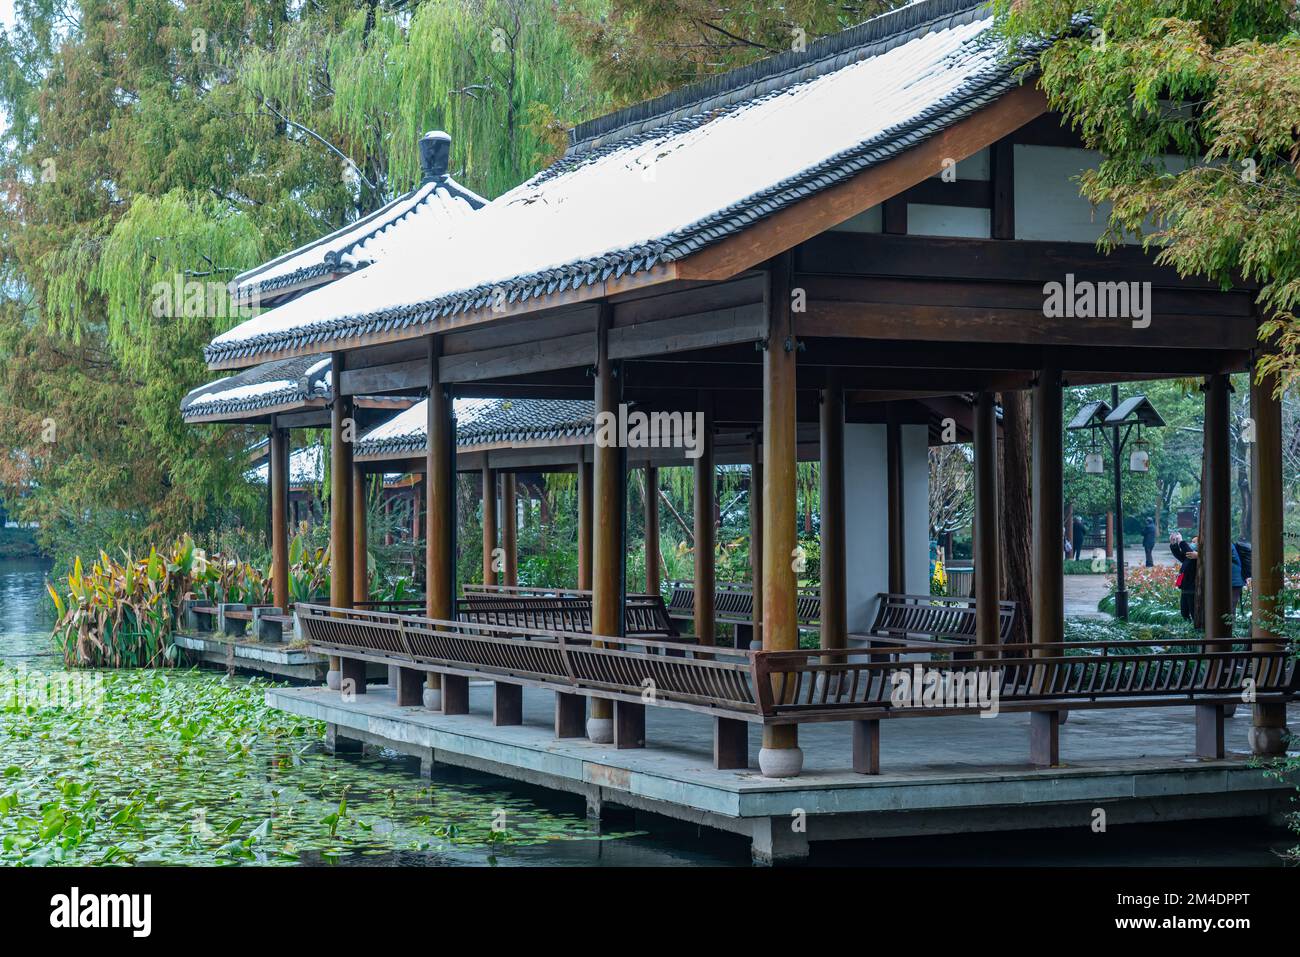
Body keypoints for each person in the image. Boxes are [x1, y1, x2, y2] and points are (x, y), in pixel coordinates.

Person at [1170, 532, 1197, 621]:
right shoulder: (1189, 558)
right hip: (1185, 588)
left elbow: (1188, 551)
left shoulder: (1196, 558)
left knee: (1193, 612)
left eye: (1194, 542)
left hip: (1192, 589)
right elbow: (1180, 555)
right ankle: (1189, 627)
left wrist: (1181, 541)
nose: (1192, 544)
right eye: (1191, 542)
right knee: (1184, 612)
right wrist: (1174, 544)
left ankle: (1197, 629)